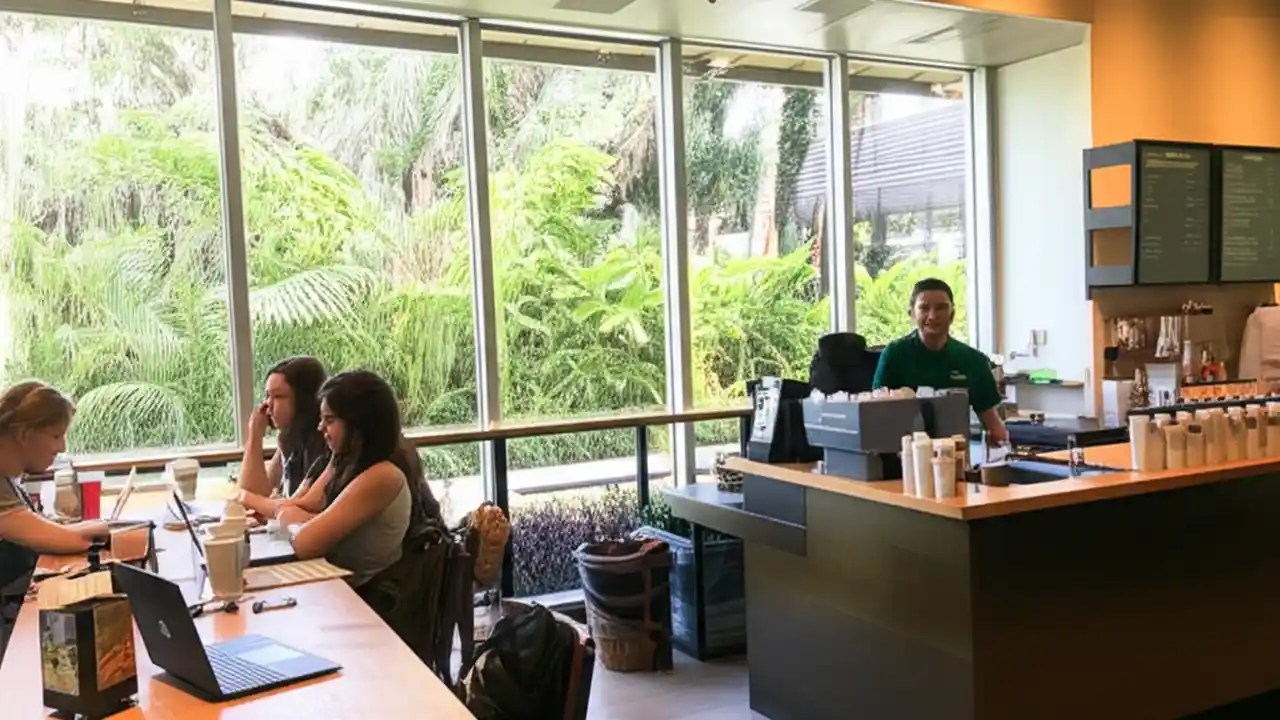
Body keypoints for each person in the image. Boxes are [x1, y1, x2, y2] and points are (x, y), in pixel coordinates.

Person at [276, 370, 446, 588]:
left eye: (329, 420)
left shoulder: (383, 476)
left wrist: (293, 518)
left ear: (358, 425)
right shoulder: (352, 465)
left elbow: (304, 544)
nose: (320, 428)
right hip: (348, 593)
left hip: (370, 605)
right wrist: (303, 520)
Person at [872, 278, 1009, 446]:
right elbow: (875, 416)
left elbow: (993, 425)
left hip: (955, 454)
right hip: (903, 454)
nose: (932, 316)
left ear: (952, 314)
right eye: (924, 308)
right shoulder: (894, 355)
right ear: (912, 314)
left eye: (941, 308)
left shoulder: (973, 360)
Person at [236, 357, 330, 518]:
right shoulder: (289, 438)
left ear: (304, 401)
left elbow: (251, 496)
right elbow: (257, 497)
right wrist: (255, 436)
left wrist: (245, 497)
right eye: (267, 396)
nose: (268, 406)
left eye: (278, 397)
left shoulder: (325, 444)